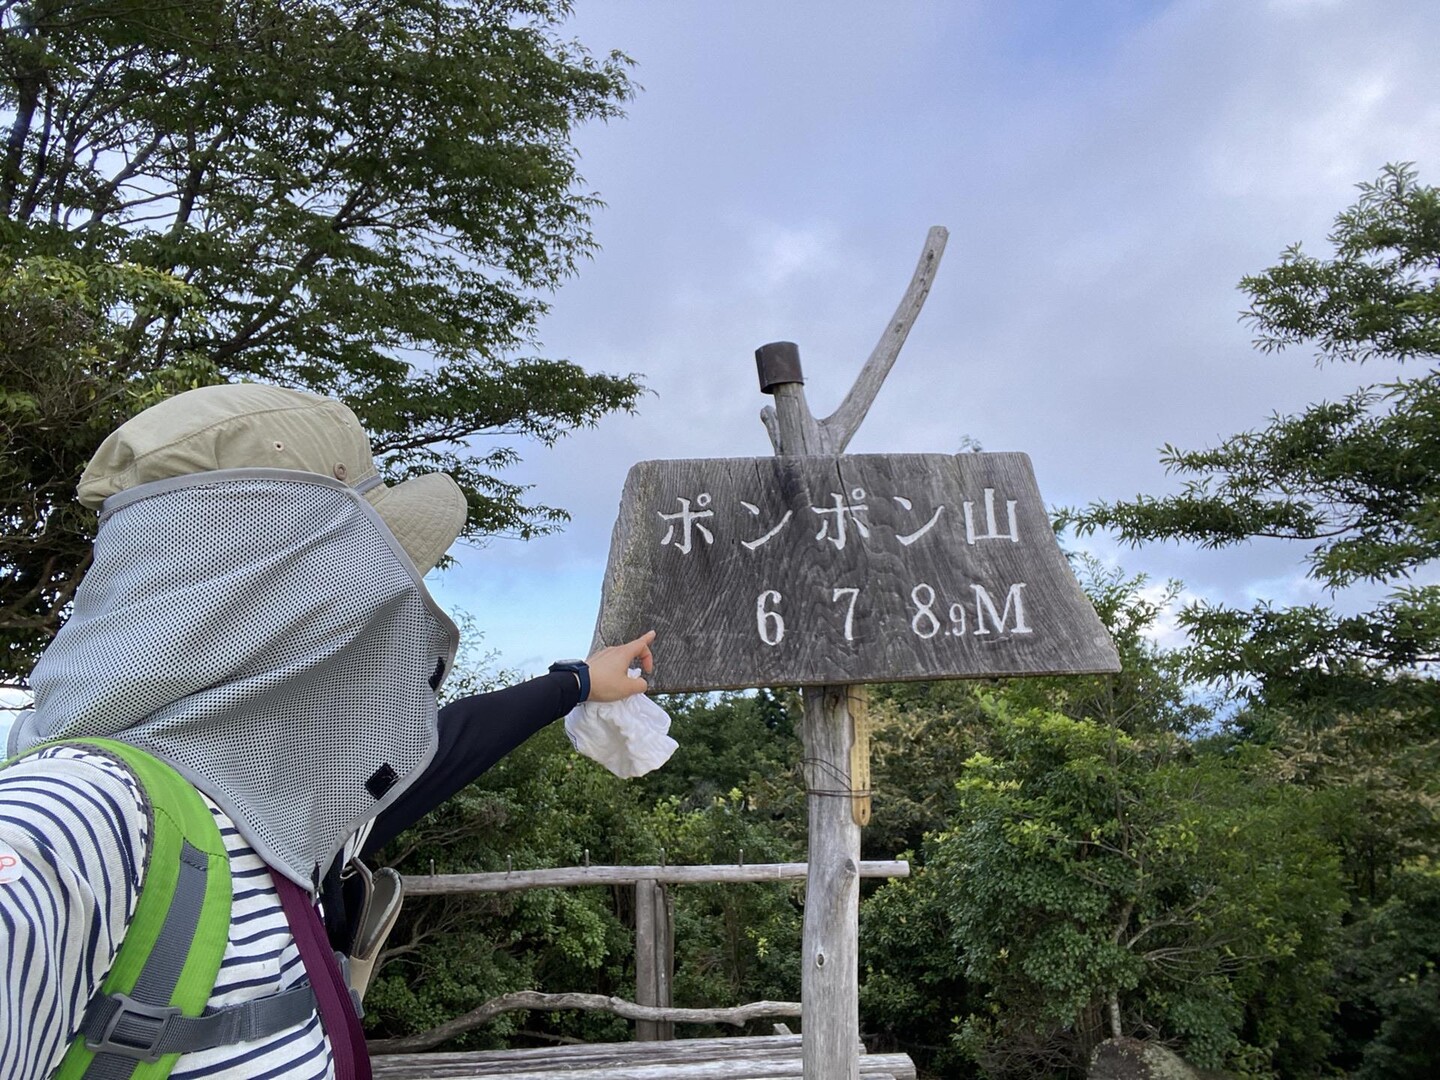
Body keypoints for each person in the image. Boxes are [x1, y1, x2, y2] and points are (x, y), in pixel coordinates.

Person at [0, 382, 657, 1079]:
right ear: (294, 595)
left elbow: (430, 760)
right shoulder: (76, 816)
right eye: (370, 581)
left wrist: (576, 684)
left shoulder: (259, 798)